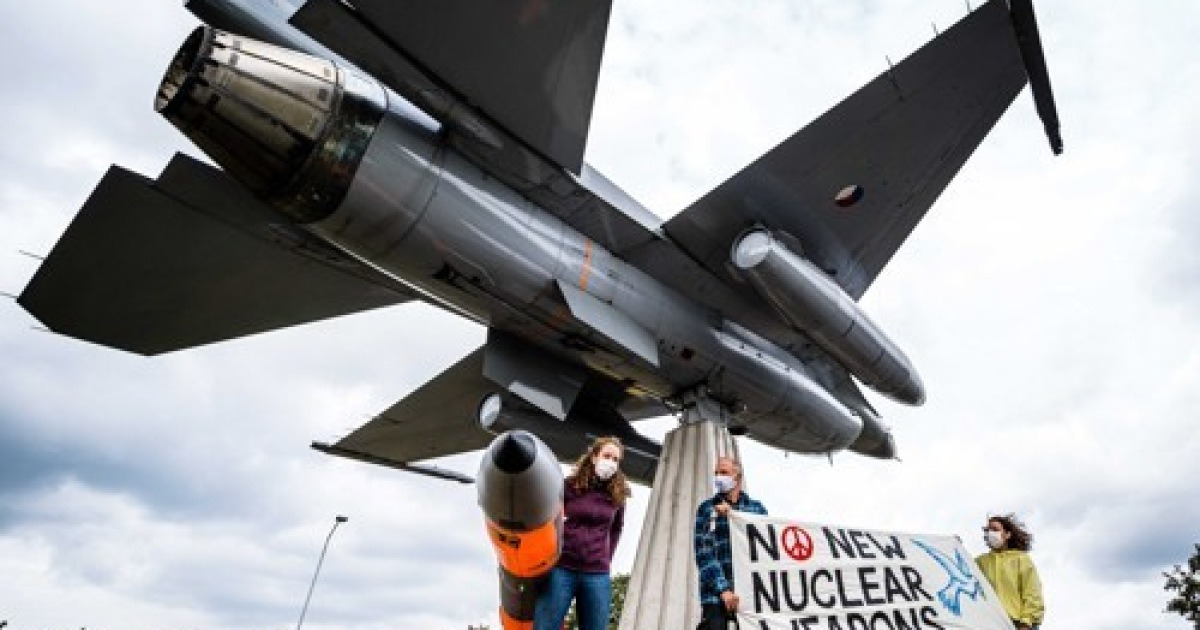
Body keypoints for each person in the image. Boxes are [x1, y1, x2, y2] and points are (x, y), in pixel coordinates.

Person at [533, 437, 631, 630]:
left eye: (615, 460)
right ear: (594, 457)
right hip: (562, 568)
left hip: (597, 574)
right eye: (607, 456)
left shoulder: (618, 495)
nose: (611, 463)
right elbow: (549, 517)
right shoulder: (569, 485)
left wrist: (605, 557)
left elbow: (617, 529)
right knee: (545, 626)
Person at [694, 455, 768, 629]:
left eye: (724, 472)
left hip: (751, 594)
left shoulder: (757, 509)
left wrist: (734, 515)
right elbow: (703, 554)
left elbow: (765, 545)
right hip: (715, 596)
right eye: (716, 473)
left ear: (737, 477)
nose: (718, 477)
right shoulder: (707, 509)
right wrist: (723, 590)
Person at [975, 514, 1045, 630]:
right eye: (987, 531)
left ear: (1007, 534)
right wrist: (955, 547)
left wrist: (1026, 623)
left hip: (1018, 624)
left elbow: (1033, 593)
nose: (990, 533)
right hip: (989, 625)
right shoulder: (980, 562)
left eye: (995, 529)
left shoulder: (1021, 559)